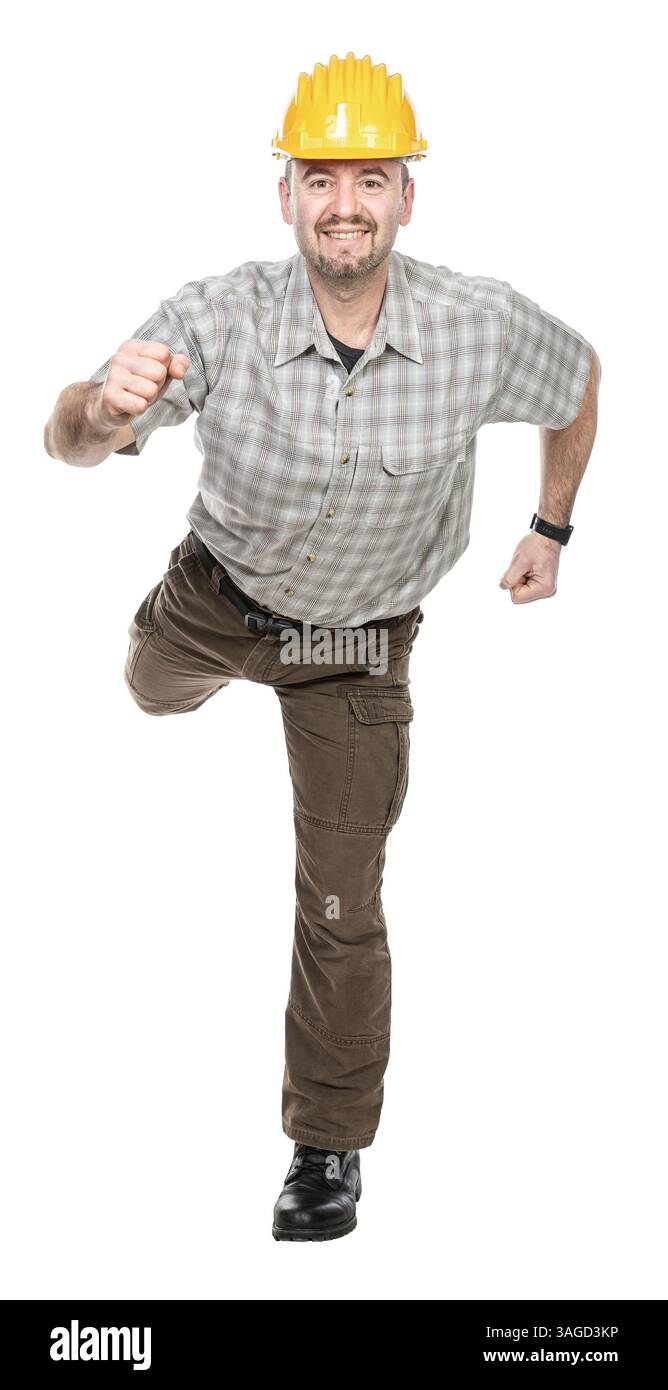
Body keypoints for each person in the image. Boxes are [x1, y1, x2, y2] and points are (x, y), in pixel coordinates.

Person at [43, 51, 601, 1243]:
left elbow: (577, 378)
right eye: (319, 178)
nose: (343, 202)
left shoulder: (476, 324)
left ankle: (326, 1145)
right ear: (284, 196)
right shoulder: (214, 317)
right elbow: (69, 439)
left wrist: (549, 526)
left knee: (341, 904)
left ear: (407, 196)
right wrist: (100, 404)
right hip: (217, 597)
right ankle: (167, 652)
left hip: (355, 647)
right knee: (146, 690)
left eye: (370, 178)